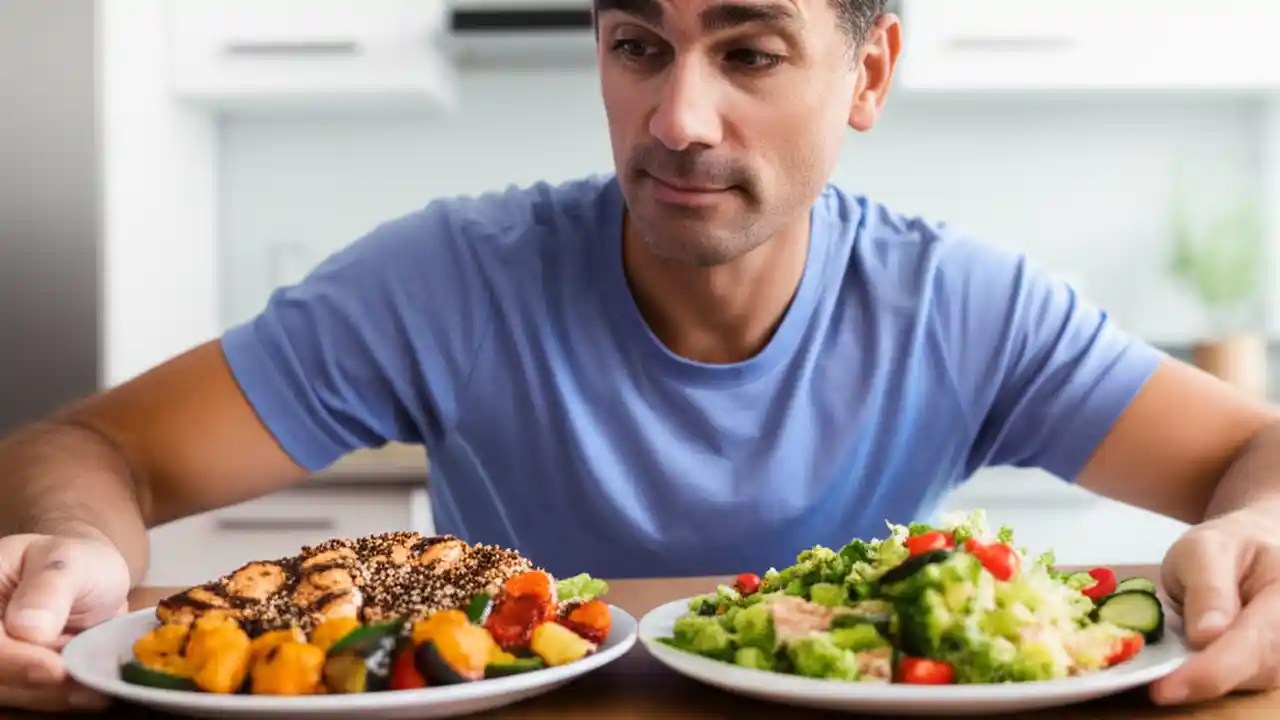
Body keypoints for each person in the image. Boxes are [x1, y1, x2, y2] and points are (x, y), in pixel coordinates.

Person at [1, 0, 1277, 711]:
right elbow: (86, 446)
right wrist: (74, 550)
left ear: (866, 73)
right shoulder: (446, 279)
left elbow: (1253, 453)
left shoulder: (962, 305)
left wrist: (1258, 531)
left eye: (749, 51)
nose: (674, 118)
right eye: (637, 47)